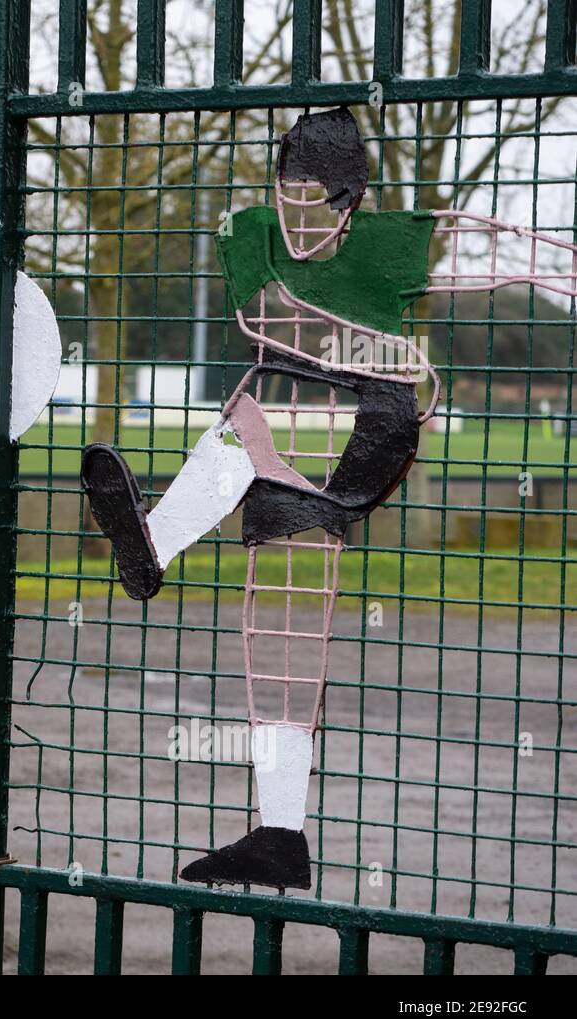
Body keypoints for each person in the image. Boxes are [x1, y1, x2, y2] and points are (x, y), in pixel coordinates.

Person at [82, 106, 577, 888]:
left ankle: (153, 542)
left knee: (252, 404)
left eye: (318, 198)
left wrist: (557, 265)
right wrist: (381, 345)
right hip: (295, 441)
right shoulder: (251, 232)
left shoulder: (385, 244)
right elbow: (261, 313)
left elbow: (498, 253)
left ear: (349, 202)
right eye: (289, 194)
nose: (299, 213)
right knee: (279, 631)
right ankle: (281, 834)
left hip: (368, 424)